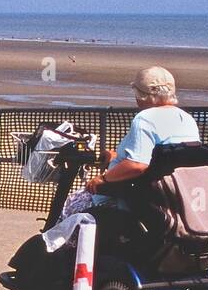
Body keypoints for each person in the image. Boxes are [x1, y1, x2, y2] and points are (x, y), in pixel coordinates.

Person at [86, 66, 200, 194]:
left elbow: (138, 165)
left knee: (74, 203)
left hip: (129, 198)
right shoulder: (186, 118)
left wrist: (102, 178)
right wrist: (116, 159)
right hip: (178, 193)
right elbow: (161, 158)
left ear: (141, 95)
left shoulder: (145, 118)